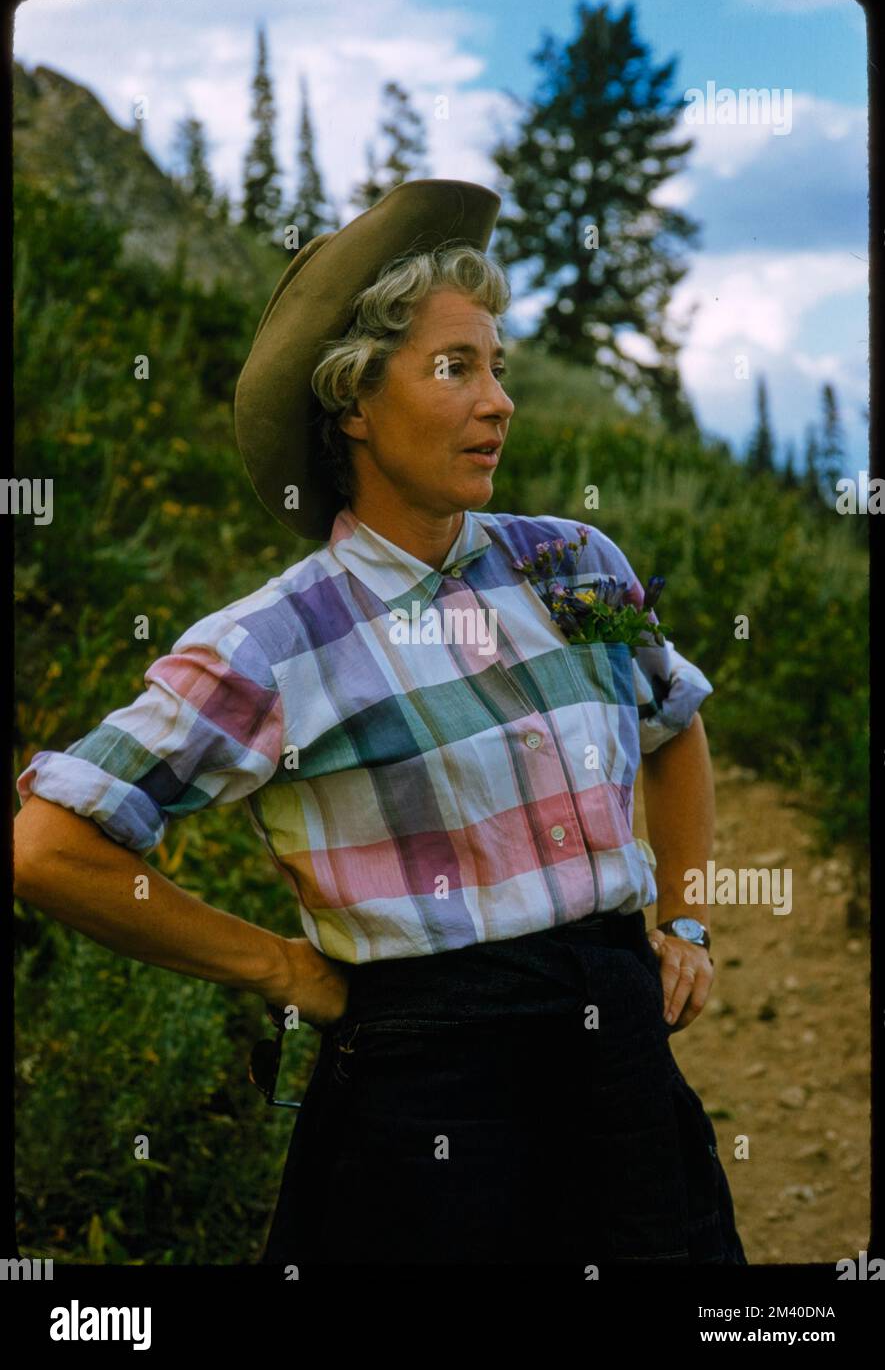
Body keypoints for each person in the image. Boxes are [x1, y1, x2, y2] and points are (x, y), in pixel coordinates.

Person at [14, 178, 746, 1269]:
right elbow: (47, 847)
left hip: (622, 1061)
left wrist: (683, 921)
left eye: (497, 366)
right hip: (429, 1105)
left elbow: (672, 720)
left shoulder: (573, 562)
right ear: (352, 398)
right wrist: (281, 969)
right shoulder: (272, 640)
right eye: (456, 368)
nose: (498, 399)